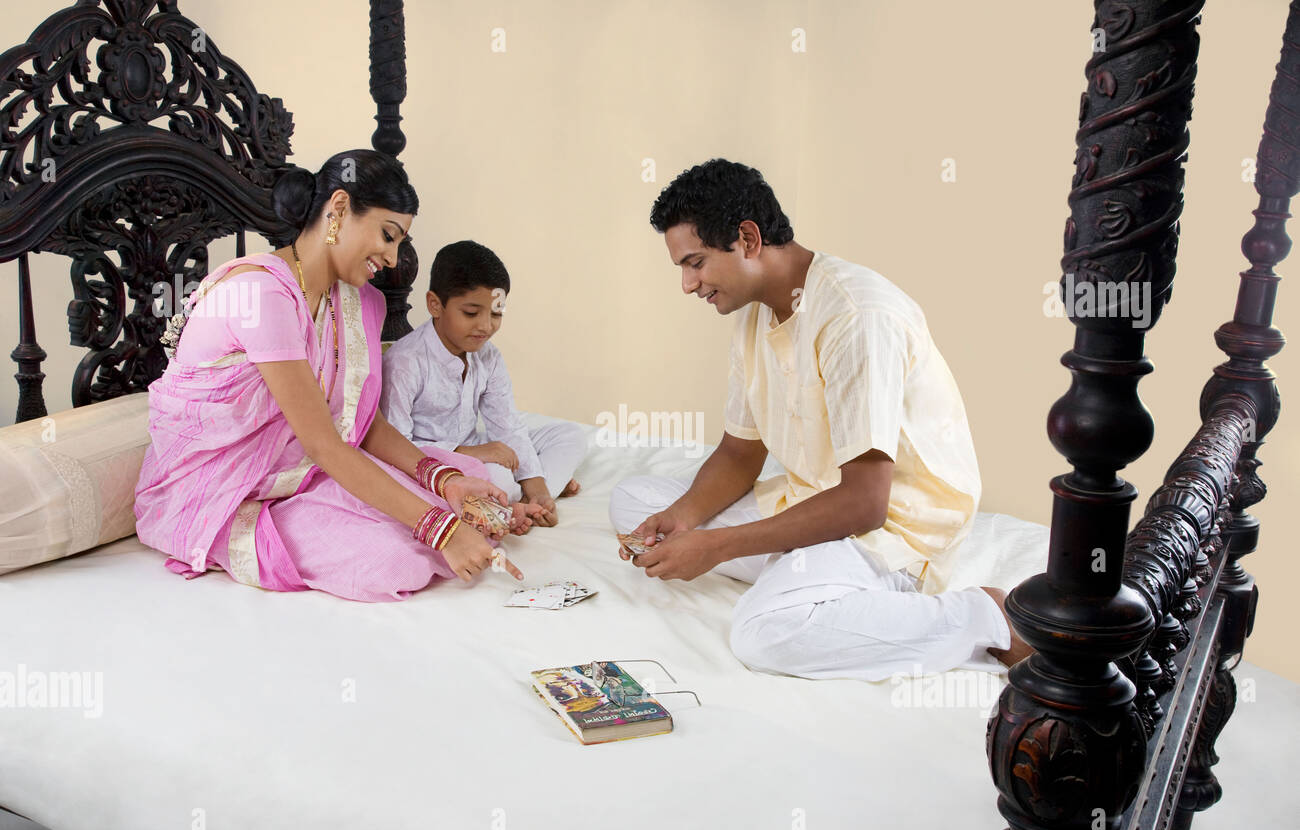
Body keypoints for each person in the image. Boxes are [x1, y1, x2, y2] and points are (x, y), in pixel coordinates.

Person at [610, 158, 1033, 680]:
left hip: (890, 526)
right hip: (808, 500)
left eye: (694, 262)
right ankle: (796, 570)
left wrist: (716, 546)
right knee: (633, 502)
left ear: (746, 238)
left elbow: (866, 504)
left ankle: (984, 615)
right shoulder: (754, 317)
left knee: (763, 633)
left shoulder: (857, 315)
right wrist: (683, 521)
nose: (687, 284)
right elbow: (740, 453)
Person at [134, 150, 541, 602]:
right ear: (340, 209)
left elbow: (364, 426)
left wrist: (445, 481)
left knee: (466, 477)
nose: (391, 258)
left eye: (399, 243)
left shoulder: (353, 301)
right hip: (222, 493)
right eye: (388, 236)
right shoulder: (260, 295)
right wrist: (440, 530)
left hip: (300, 474)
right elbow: (324, 443)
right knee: (397, 558)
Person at [379, 240, 586, 528]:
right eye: (471, 313)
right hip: (435, 463)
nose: (486, 326)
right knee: (497, 475)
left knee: (570, 435)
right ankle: (516, 497)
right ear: (435, 304)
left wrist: (538, 488)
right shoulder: (405, 361)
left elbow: (507, 425)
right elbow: (394, 447)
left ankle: (533, 499)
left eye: (496, 313)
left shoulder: (488, 355)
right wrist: (472, 454)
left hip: (477, 446)